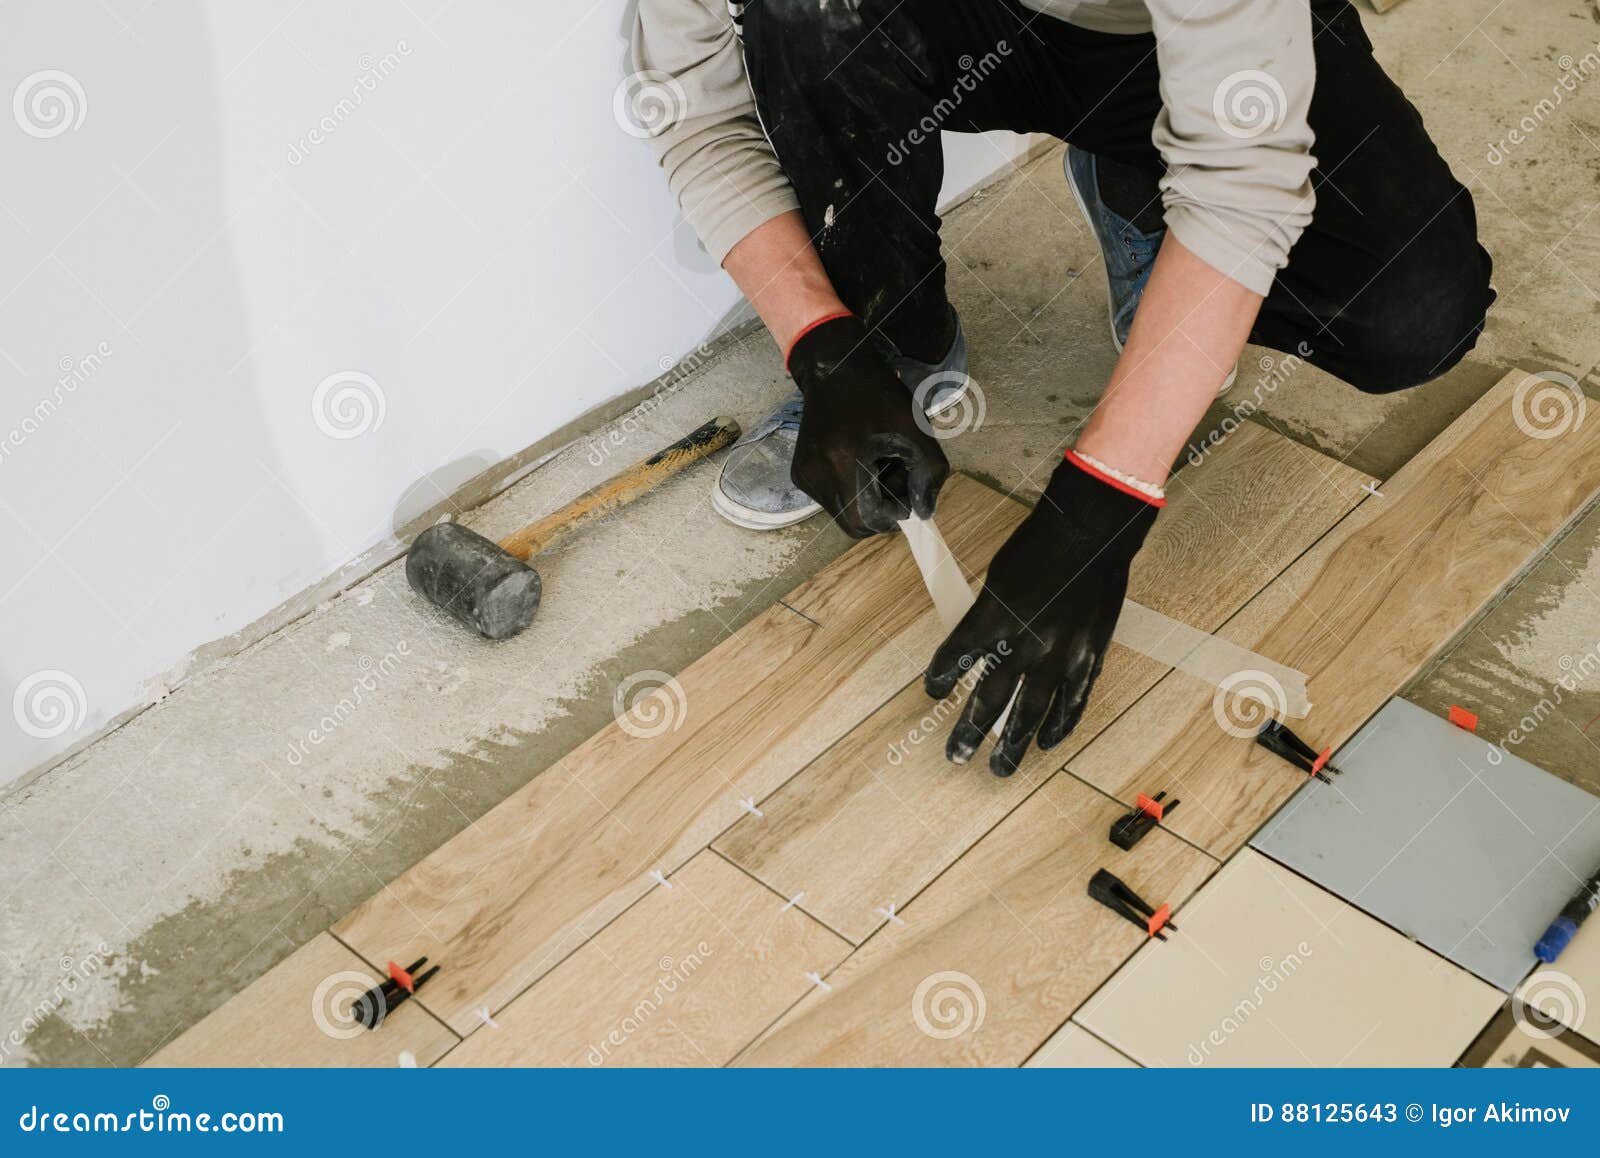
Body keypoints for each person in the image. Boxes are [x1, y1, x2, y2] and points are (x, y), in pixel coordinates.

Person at [628, 0, 1493, 776]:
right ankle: (894, 343)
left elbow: (1246, 182)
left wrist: (1101, 504)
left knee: (1411, 314)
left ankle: (1145, 192)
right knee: (802, 13)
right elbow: (695, 108)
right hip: (940, 23)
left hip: (1167, 41)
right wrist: (822, 346)